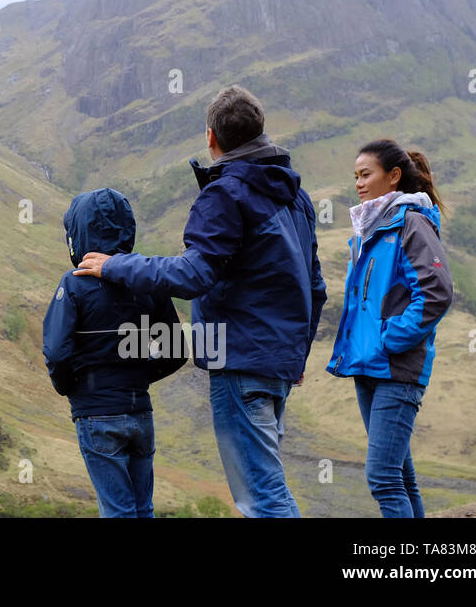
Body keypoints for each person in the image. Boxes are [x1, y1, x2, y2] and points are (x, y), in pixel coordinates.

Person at [74, 85, 327, 517]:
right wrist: (295, 356)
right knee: (265, 485)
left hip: (240, 361)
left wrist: (117, 266)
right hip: (279, 365)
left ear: (211, 138)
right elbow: (315, 286)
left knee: (260, 497)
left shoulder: (226, 194)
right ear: (260, 130)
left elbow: (192, 275)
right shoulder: (296, 198)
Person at [43, 187, 186, 517]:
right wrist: (138, 377)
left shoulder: (74, 283)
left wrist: (70, 388)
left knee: (117, 511)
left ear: (77, 232)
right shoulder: (145, 280)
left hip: (96, 413)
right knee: (142, 509)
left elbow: (57, 351)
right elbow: (176, 351)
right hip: (140, 411)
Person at [327, 139, 452, 518]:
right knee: (400, 476)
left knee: (382, 477)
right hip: (368, 367)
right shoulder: (370, 230)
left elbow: (437, 292)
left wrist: (390, 340)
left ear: (393, 176)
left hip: (395, 367)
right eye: (356, 176)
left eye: (367, 175)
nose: (359, 184)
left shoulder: (411, 223)